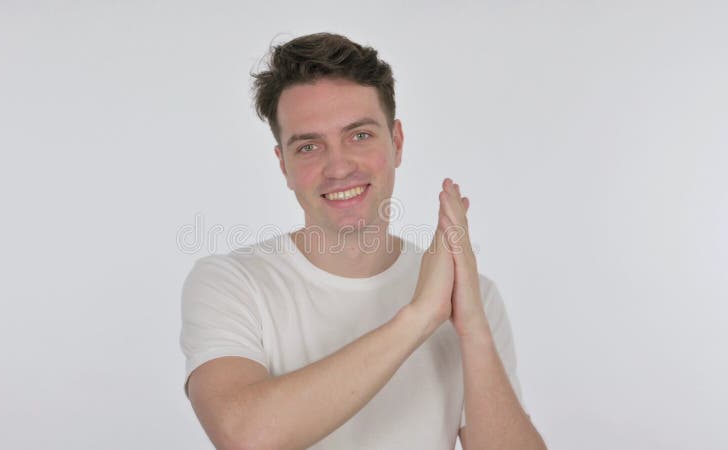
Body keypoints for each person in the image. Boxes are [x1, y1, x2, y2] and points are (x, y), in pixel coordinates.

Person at [180, 32, 546, 450]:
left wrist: (473, 328)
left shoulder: (472, 297)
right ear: (283, 164)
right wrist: (420, 316)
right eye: (309, 146)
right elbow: (245, 434)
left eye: (360, 136)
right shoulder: (230, 284)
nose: (338, 167)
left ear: (397, 142)